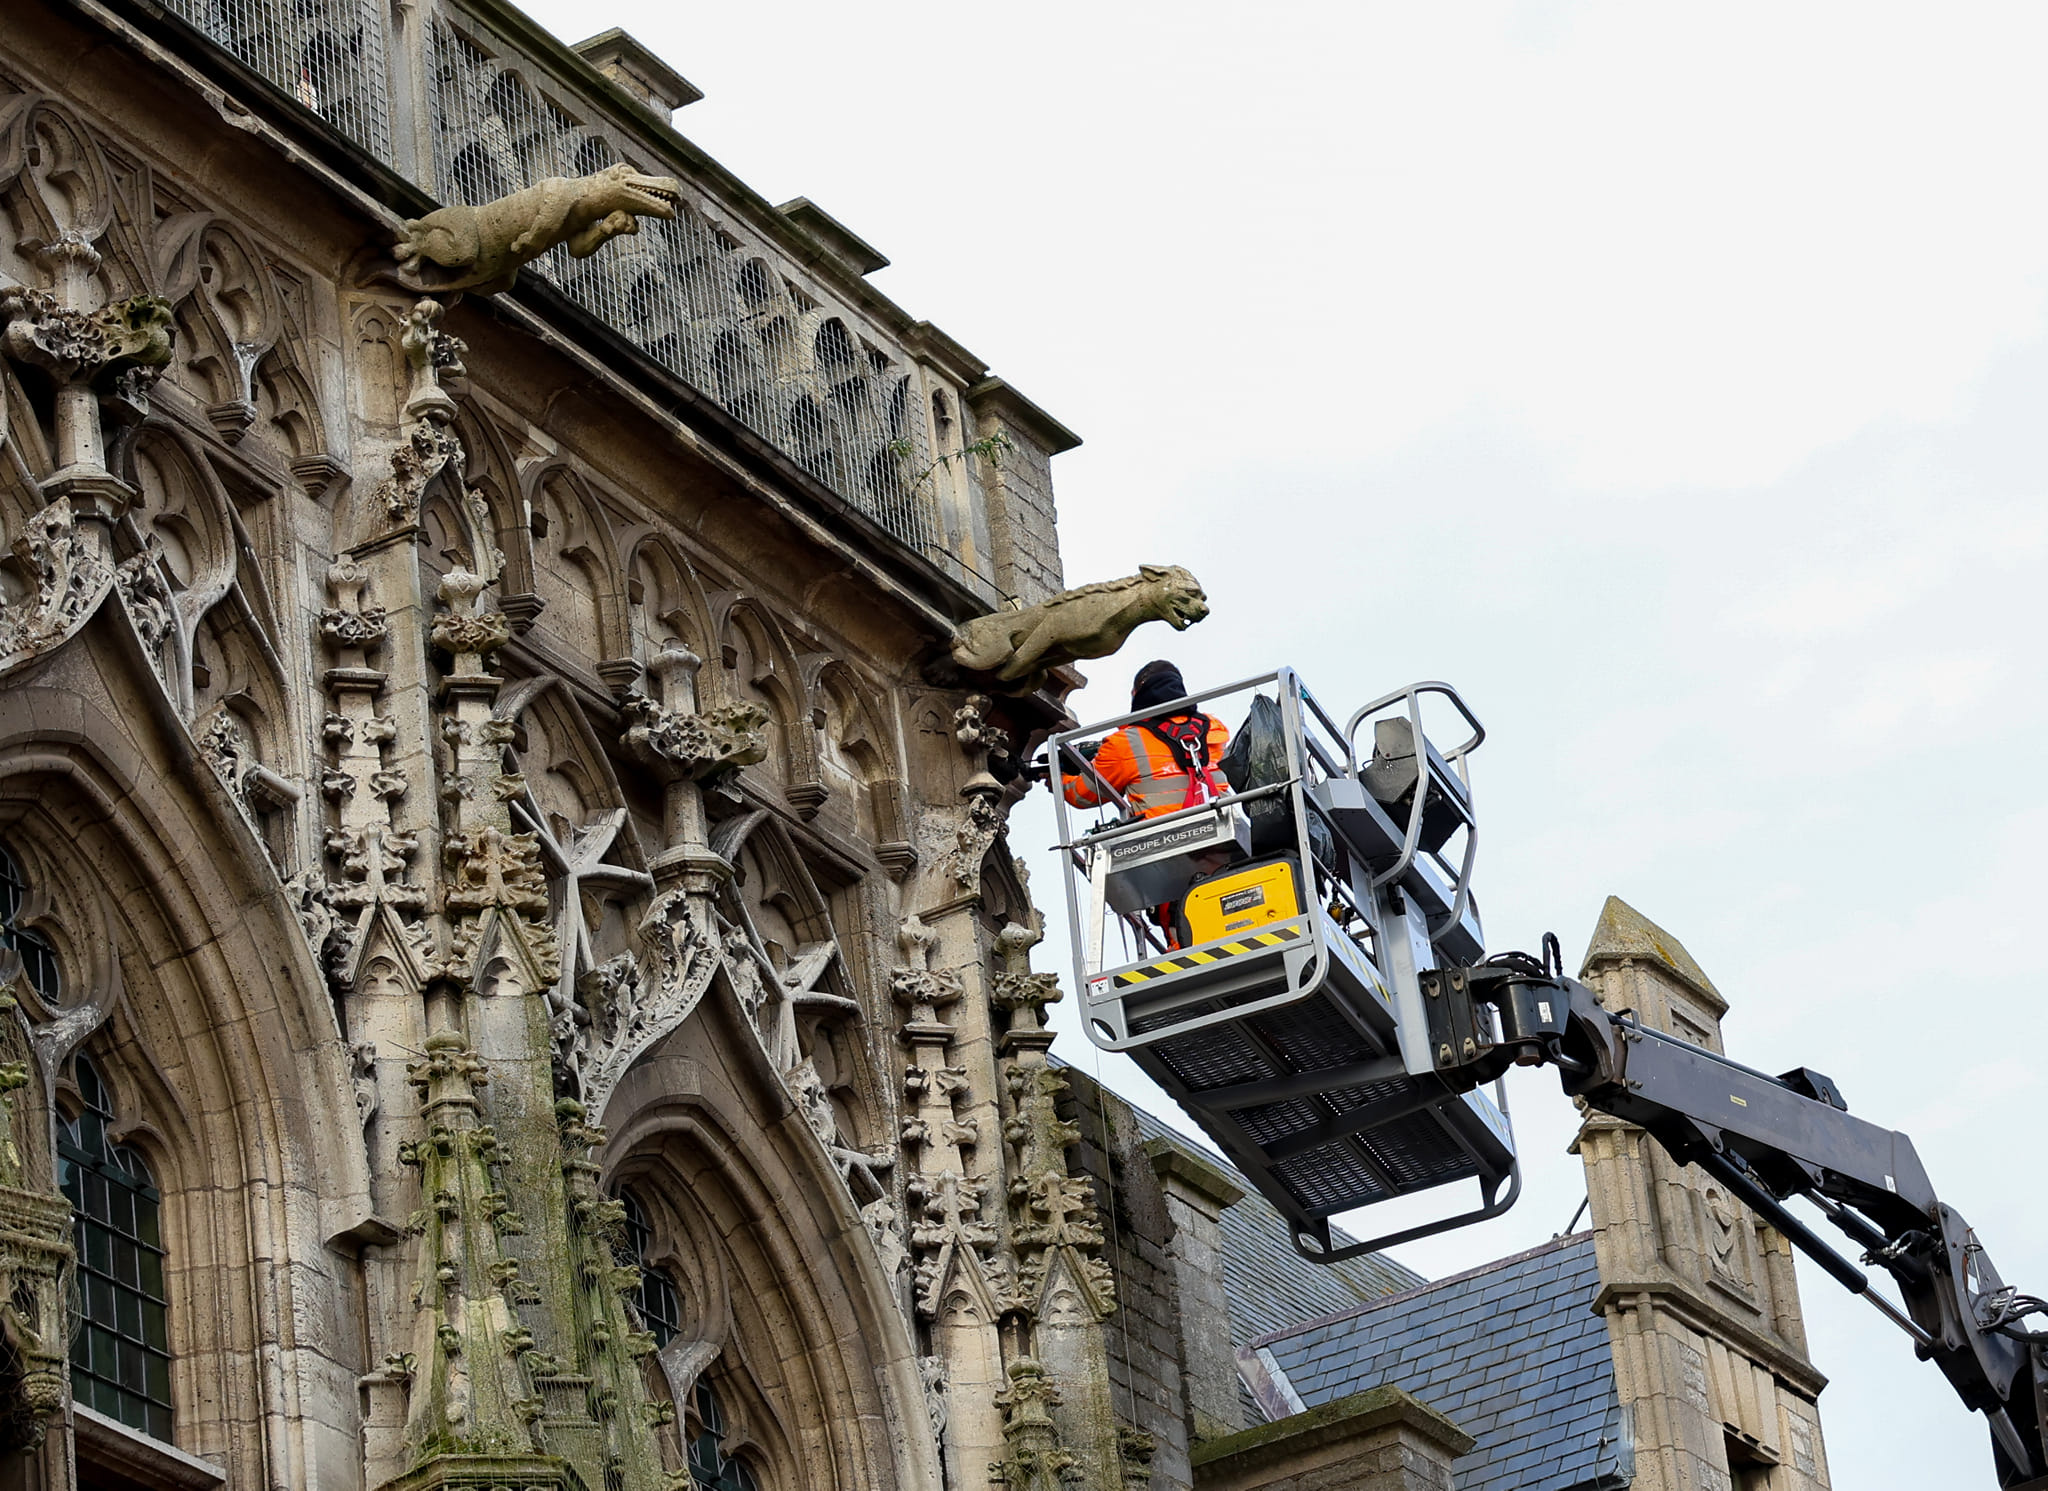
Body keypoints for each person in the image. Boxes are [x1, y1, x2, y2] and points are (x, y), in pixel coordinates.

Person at [1062, 660, 1230, 819]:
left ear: (1136, 693)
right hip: (1224, 824)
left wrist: (1059, 776)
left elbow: (1083, 795)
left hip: (1165, 837)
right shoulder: (1214, 727)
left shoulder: (1125, 743)